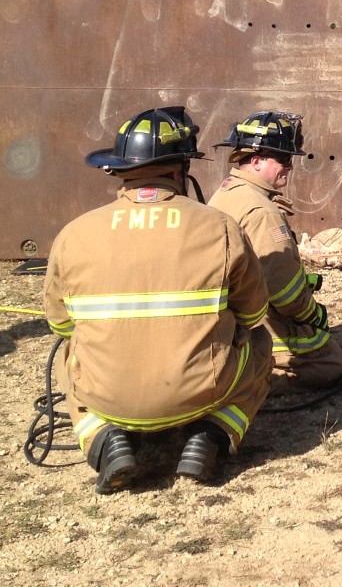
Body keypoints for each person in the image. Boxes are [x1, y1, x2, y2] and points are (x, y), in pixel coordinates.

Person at [43, 106, 272, 494]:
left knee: (69, 354)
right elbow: (253, 314)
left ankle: (103, 439)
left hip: (109, 398)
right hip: (203, 394)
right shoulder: (219, 227)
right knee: (262, 343)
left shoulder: (73, 234)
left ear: (118, 170)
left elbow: (61, 324)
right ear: (180, 169)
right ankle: (210, 436)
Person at [209, 111, 342, 391]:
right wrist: (313, 314)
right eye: (283, 159)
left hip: (229, 313)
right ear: (256, 161)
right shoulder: (262, 212)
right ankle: (260, 378)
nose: (290, 167)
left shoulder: (229, 190)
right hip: (252, 317)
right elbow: (284, 290)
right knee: (332, 364)